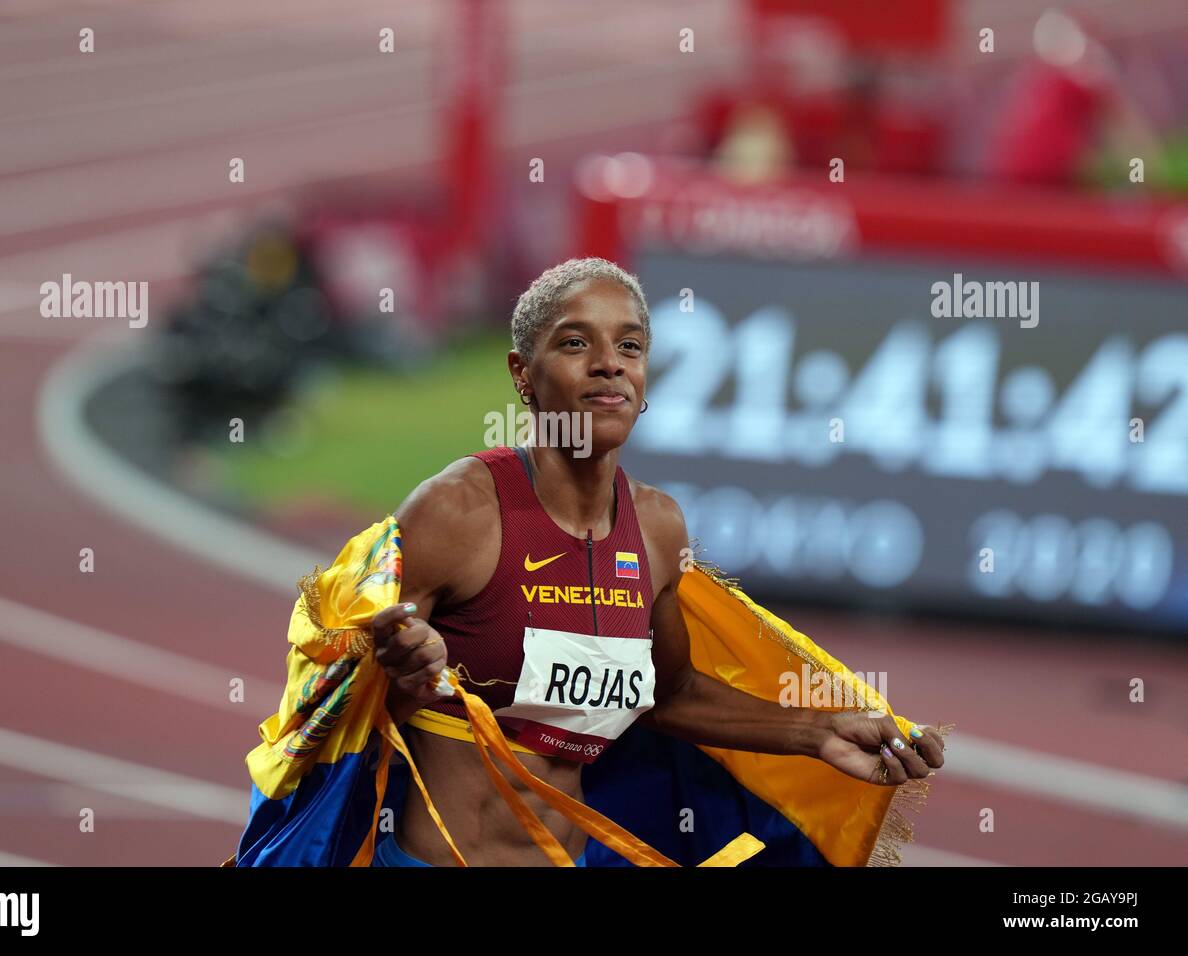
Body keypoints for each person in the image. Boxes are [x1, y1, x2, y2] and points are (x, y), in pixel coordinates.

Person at [365, 257, 945, 867]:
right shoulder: (457, 512)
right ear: (522, 374)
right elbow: (341, 703)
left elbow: (667, 694)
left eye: (630, 345)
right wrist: (399, 674)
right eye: (573, 343)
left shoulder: (656, 529)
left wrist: (820, 731)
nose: (609, 362)